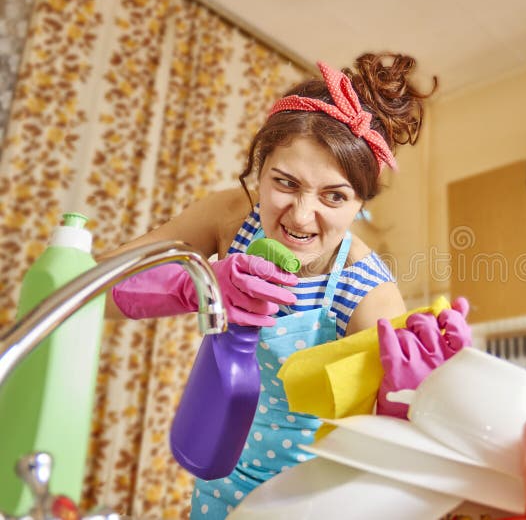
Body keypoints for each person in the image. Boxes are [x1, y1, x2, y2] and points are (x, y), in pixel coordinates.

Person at [104, 52, 437, 518]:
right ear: (259, 170)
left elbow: (391, 461)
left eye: (334, 196)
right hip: (214, 481)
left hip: (307, 503)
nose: (301, 216)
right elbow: (92, 291)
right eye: (285, 183)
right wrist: (195, 283)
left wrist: (407, 403)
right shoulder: (231, 218)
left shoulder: (366, 291)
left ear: (359, 203)